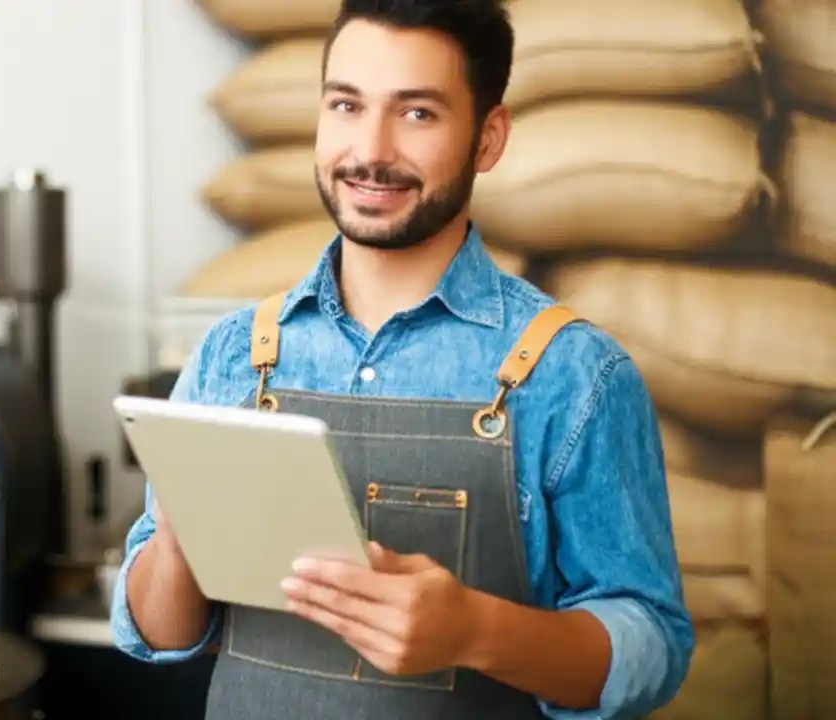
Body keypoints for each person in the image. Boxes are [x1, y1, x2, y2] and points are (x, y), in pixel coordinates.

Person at [110, 0, 693, 717]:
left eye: (417, 113)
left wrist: (476, 630)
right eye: (347, 105)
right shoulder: (234, 354)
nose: (371, 150)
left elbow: (653, 649)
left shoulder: (574, 374)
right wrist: (176, 532)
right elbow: (160, 632)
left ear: (488, 138)